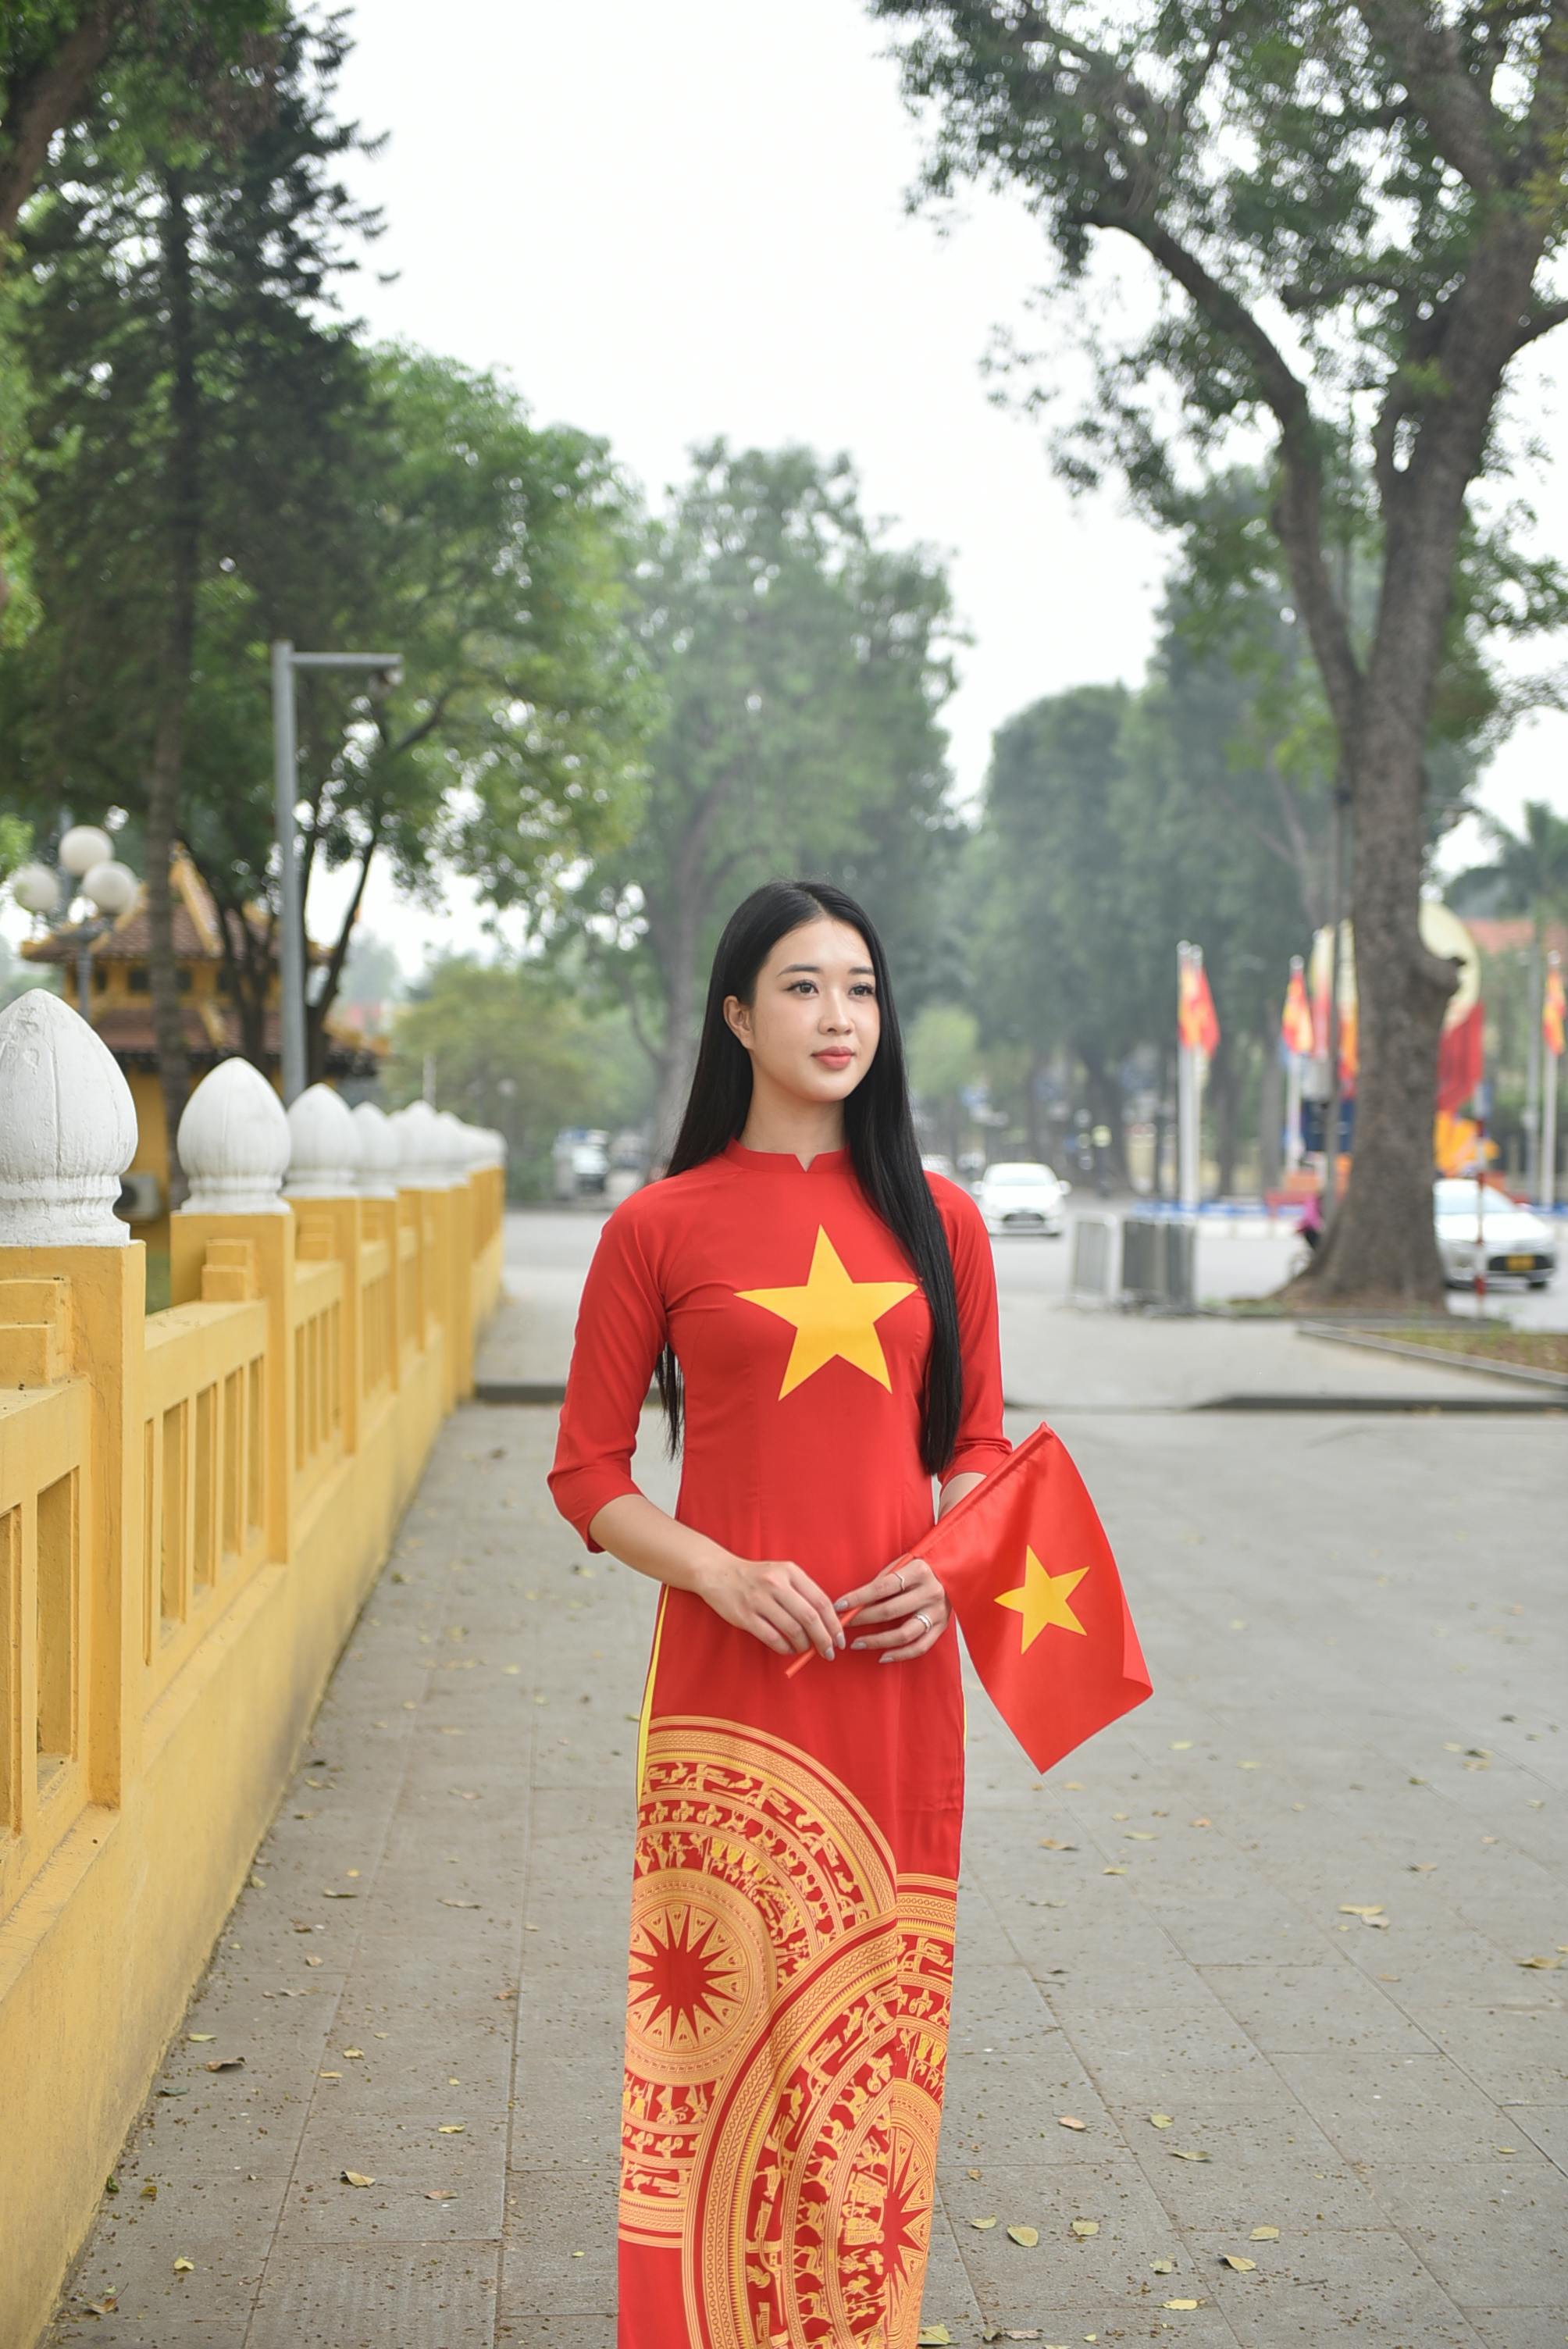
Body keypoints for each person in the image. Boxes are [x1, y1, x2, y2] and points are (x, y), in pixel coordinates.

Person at [548, 878, 1010, 2349]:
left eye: (861, 989)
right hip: (725, 1694)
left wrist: (941, 1574)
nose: (838, 1017)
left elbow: (984, 1448)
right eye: (804, 988)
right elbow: (587, 1473)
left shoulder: (942, 1220)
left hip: (891, 1685)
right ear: (738, 1015)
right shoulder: (659, 1226)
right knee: (717, 2051)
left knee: (871, 2061)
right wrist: (712, 1570)